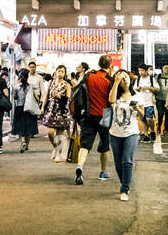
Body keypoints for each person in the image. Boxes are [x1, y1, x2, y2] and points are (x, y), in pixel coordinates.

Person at [73, 54, 115, 185]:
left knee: (85, 145)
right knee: (105, 143)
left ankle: (80, 166)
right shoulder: (109, 79)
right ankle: (103, 172)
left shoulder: (89, 75)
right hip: (105, 114)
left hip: (88, 113)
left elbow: (80, 90)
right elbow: (112, 99)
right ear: (110, 65)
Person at [108, 70, 141, 201]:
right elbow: (110, 100)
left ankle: (125, 190)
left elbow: (144, 115)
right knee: (118, 163)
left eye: (126, 77)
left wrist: (137, 108)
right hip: (115, 133)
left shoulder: (137, 95)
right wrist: (116, 82)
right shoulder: (115, 94)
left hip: (132, 132)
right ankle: (125, 183)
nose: (125, 80)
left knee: (127, 160)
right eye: (122, 78)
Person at [41, 64, 74, 162]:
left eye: (62, 71)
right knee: (50, 132)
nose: (60, 73)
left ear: (65, 74)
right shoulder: (51, 82)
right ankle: (55, 148)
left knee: (60, 134)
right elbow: (46, 96)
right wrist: (43, 107)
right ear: (55, 72)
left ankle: (58, 154)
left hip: (61, 110)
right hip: (51, 109)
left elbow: (68, 99)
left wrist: (60, 97)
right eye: (58, 71)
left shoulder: (67, 85)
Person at [12, 68, 40, 152]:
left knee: (21, 127)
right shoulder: (30, 86)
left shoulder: (16, 86)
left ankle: (23, 141)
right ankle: (27, 145)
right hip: (29, 109)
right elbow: (36, 97)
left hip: (20, 108)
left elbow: (15, 97)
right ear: (27, 77)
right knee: (28, 128)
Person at [154, 63, 168, 137]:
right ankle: (159, 126)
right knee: (161, 114)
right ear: (162, 68)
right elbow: (154, 86)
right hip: (160, 98)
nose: (167, 69)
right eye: (165, 68)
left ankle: (166, 130)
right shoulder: (158, 76)